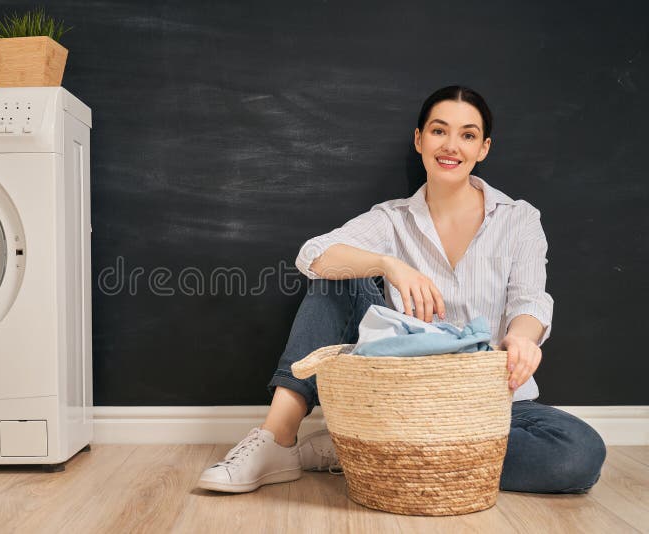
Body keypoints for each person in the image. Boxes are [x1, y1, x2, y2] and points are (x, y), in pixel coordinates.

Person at [197, 86, 606, 494]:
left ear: (483, 148)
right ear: (419, 140)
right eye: (439, 131)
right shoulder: (392, 220)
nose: (451, 146)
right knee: (340, 277)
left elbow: (530, 298)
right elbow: (313, 254)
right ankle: (279, 439)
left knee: (578, 454)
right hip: (403, 399)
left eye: (467, 135)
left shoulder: (519, 219)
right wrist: (386, 264)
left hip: (490, 405)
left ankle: (373, 448)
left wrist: (521, 337)